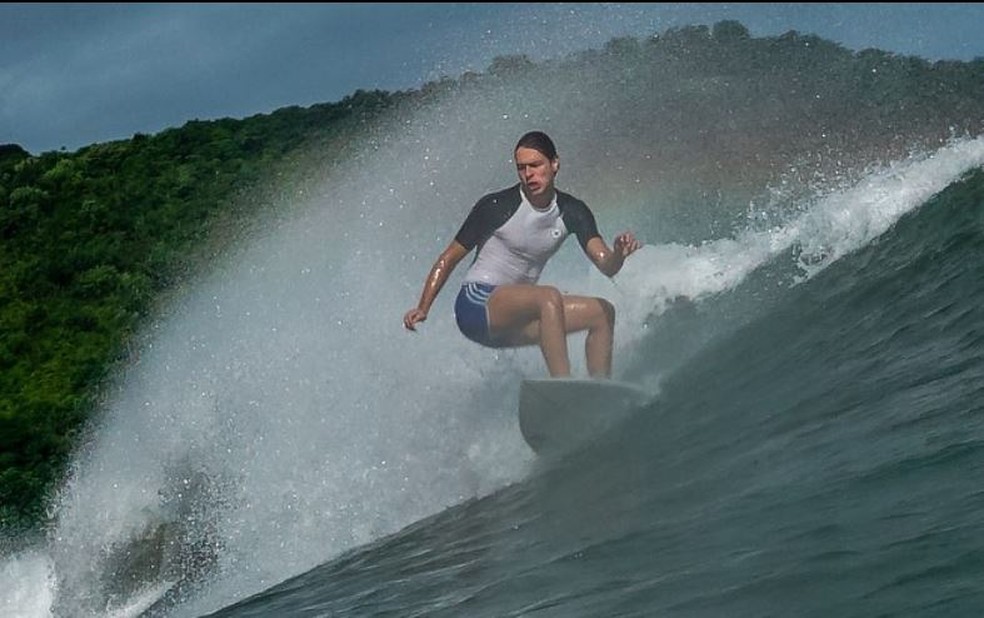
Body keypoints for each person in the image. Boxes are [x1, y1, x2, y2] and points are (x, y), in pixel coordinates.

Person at [403, 131, 641, 378]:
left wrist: (618, 254)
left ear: (555, 164)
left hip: (518, 321)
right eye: (521, 168)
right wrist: (423, 307)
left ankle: (599, 389)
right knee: (548, 297)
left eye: (535, 165)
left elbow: (606, 264)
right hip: (477, 307)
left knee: (602, 312)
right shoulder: (496, 206)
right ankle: (563, 385)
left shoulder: (573, 211)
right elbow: (449, 257)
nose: (528, 174)